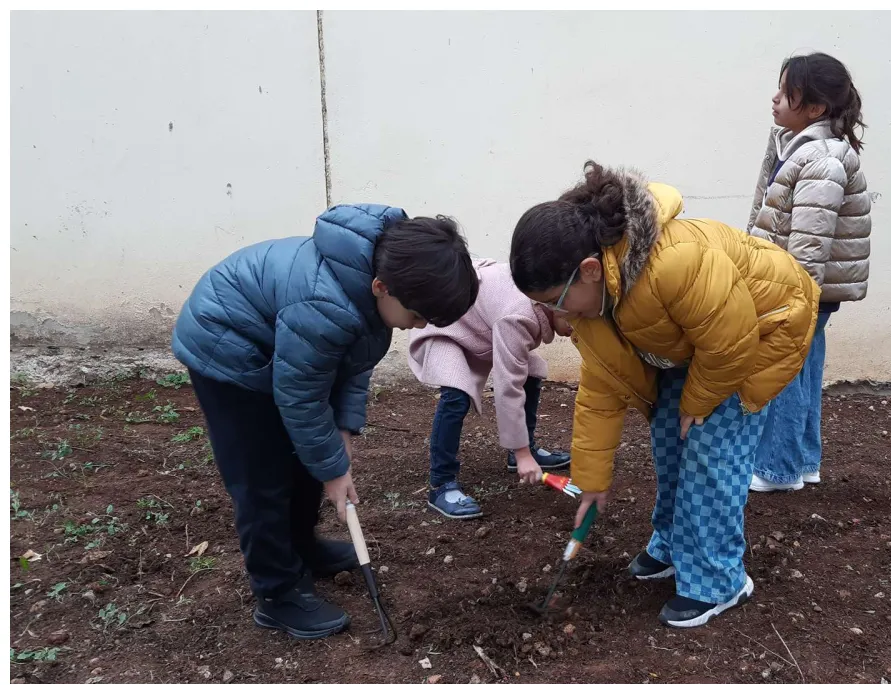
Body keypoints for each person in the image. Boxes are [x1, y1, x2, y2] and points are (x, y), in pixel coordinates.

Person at [509, 162, 817, 628]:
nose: (553, 314)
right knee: (670, 445)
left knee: (711, 457)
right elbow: (601, 389)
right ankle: (674, 545)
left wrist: (697, 404)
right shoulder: (595, 305)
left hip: (762, 329)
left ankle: (719, 581)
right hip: (694, 345)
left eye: (555, 300)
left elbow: (730, 342)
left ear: (590, 270)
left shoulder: (674, 263)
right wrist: (591, 482)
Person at [172, 205, 478, 639]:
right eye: (417, 316)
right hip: (226, 348)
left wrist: (345, 430)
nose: (420, 325)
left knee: (303, 456)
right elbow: (300, 396)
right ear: (381, 287)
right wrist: (334, 471)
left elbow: (353, 364)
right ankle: (277, 593)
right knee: (262, 476)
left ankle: (302, 547)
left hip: (281, 352)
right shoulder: (326, 303)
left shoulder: (374, 286)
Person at [746, 52, 872, 492]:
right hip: (799, 286)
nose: (776, 98)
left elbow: (810, 241)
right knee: (805, 368)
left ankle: (778, 469)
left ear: (815, 108)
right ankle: (803, 462)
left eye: (788, 93)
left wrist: (792, 299)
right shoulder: (793, 142)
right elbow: (767, 209)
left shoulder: (822, 158)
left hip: (800, 288)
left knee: (785, 371)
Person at [408, 257, 573, 520]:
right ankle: (441, 484)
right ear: (558, 303)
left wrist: (523, 452)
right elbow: (507, 385)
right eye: (578, 319)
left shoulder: (540, 294)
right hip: (444, 326)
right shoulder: (519, 314)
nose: (580, 327)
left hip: (476, 326)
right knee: (456, 394)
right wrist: (522, 456)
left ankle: (524, 449)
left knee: (532, 370)